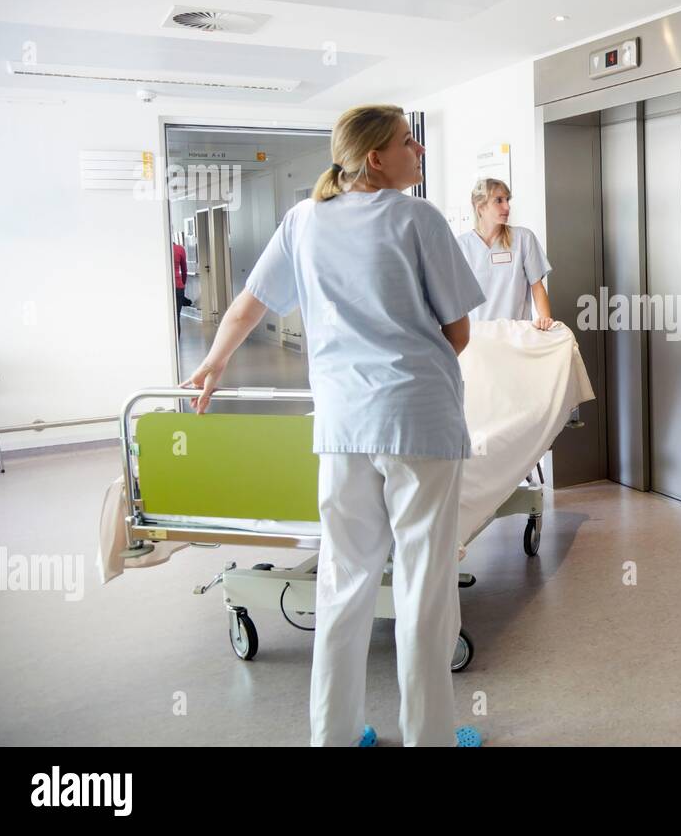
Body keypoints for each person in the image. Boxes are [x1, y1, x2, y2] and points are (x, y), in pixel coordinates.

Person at [180, 104, 485, 748]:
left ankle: (334, 737)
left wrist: (212, 364)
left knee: (344, 583)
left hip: (343, 425)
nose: (420, 151)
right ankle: (429, 736)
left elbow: (247, 303)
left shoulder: (302, 221)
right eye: (409, 142)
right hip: (417, 423)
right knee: (423, 586)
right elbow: (458, 331)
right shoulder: (418, 219)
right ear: (375, 157)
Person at [455, 178, 554, 328]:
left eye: (507, 200)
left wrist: (546, 320)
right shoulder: (461, 245)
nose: (507, 206)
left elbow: (537, 287)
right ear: (480, 207)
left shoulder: (523, 239)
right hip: (478, 335)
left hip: (516, 334)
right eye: (499, 200)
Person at [172, 239, 188, 335]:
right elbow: (184, 270)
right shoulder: (180, 249)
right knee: (176, 316)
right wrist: (183, 284)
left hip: (165, 288)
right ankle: (176, 342)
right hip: (178, 287)